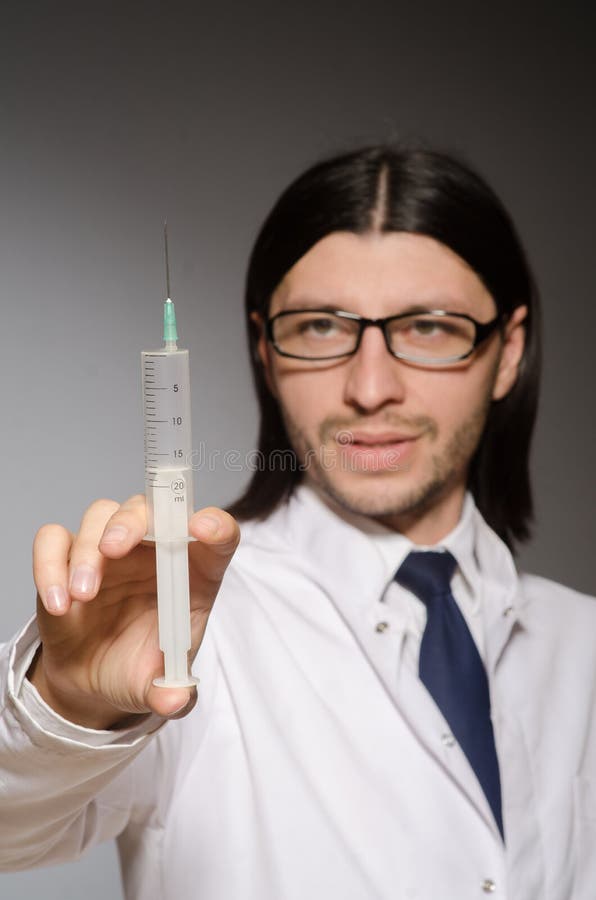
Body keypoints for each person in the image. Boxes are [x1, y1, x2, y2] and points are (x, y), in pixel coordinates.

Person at [0, 143, 594, 900]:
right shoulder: (179, 628)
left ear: (507, 352)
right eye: (319, 327)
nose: (370, 387)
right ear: (265, 350)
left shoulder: (582, 644)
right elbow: (10, 824)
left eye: (429, 327)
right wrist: (66, 704)